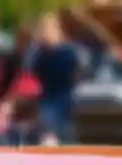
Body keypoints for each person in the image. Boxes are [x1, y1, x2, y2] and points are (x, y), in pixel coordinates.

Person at [29, 12, 86, 145]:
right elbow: (34, 73)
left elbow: (77, 75)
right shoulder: (40, 53)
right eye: (43, 29)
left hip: (63, 102)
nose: (45, 33)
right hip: (48, 101)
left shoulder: (68, 52)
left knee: (60, 136)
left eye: (48, 28)